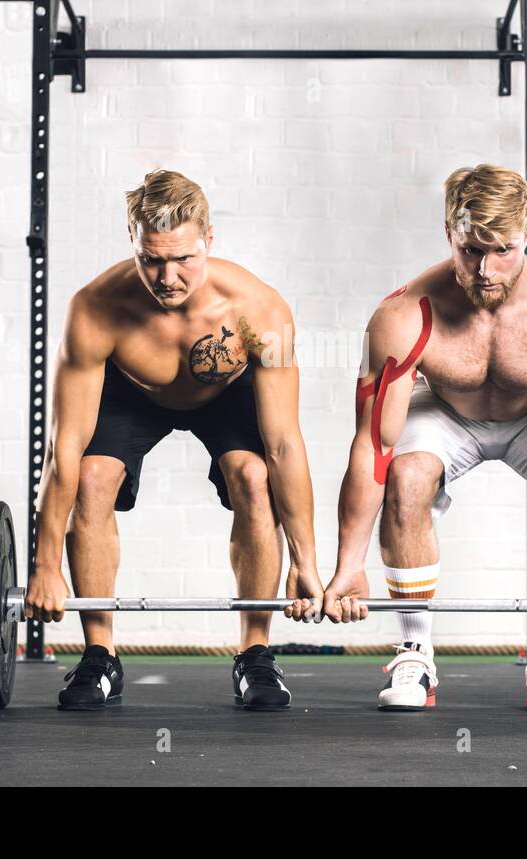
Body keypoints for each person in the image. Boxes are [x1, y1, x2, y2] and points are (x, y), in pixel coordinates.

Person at [289, 163, 527, 711]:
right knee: (407, 474)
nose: (486, 268)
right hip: (448, 410)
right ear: (449, 233)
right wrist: (349, 566)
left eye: (503, 250)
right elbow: (373, 448)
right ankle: (413, 652)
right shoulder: (404, 314)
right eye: (470, 249)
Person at [28, 169, 323, 711]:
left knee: (255, 477)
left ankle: (255, 654)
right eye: (152, 259)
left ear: (209, 239)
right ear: (132, 244)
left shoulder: (261, 312)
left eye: (183, 258)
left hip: (225, 392)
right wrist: (45, 563)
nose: (167, 276)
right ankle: (100, 656)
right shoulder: (95, 309)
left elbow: (283, 444)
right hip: (132, 389)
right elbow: (63, 449)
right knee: (92, 478)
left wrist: (306, 560)